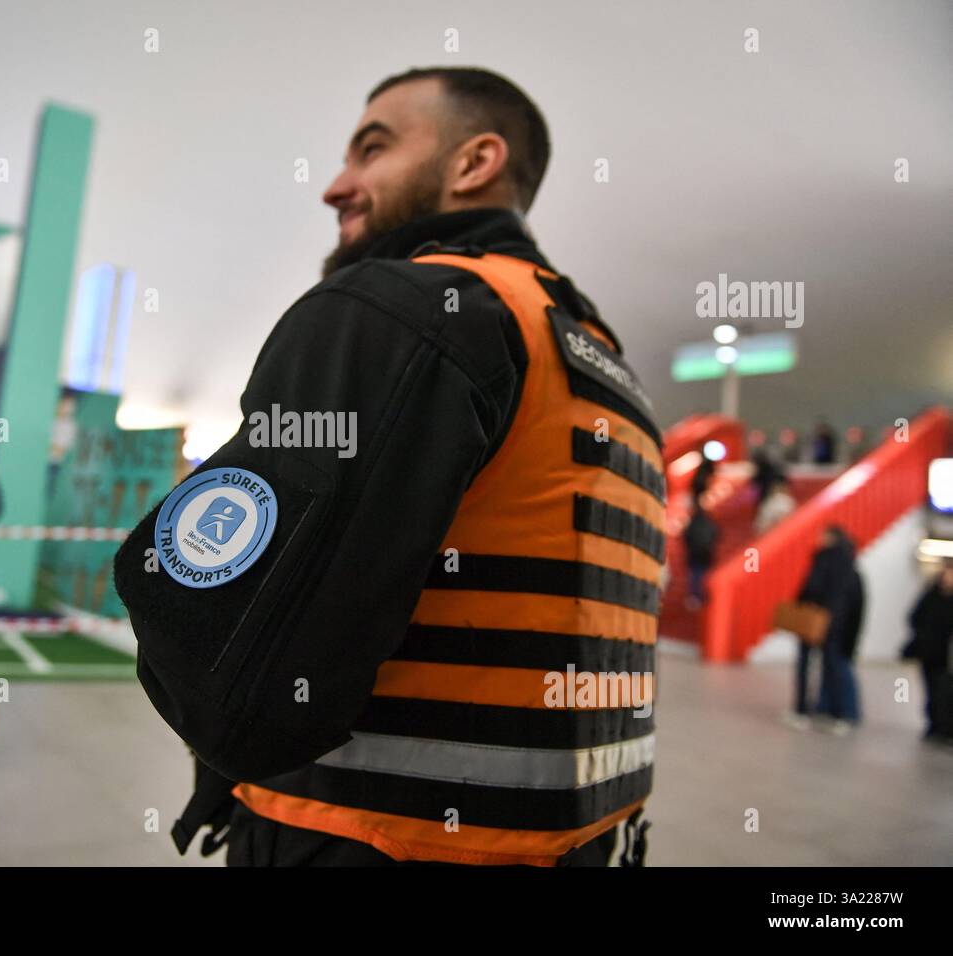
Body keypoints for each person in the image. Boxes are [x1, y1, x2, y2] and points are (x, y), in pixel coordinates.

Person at [115, 67, 665, 867]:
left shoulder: (400, 313)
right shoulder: (602, 366)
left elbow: (235, 693)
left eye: (372, 150)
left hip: (358, 843)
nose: (336, 188)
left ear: (474, 163)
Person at [787, 525, 865, 733]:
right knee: (834, 669)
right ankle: (839, 714)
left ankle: (803, 711)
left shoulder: (823, 560)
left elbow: (811, 588)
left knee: (813, 667)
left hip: (817, 622)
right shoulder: (850, 566)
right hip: (836, 626)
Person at [902, 561, 953, 740]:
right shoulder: (931, 596)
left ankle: (945, 727)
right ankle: (934, 725)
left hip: (947, 656)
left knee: (945, 691)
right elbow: (914, 617)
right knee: (931, 690)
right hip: (929, 652)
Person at [682, 503, 719, 609]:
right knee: (703, 575)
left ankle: (694, 596)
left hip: (694, 554)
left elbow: (686, 537)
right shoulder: (709, 523)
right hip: (706, 554)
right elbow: (716, 534)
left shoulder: (692, 524)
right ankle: (704, 595)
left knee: (695, 576)